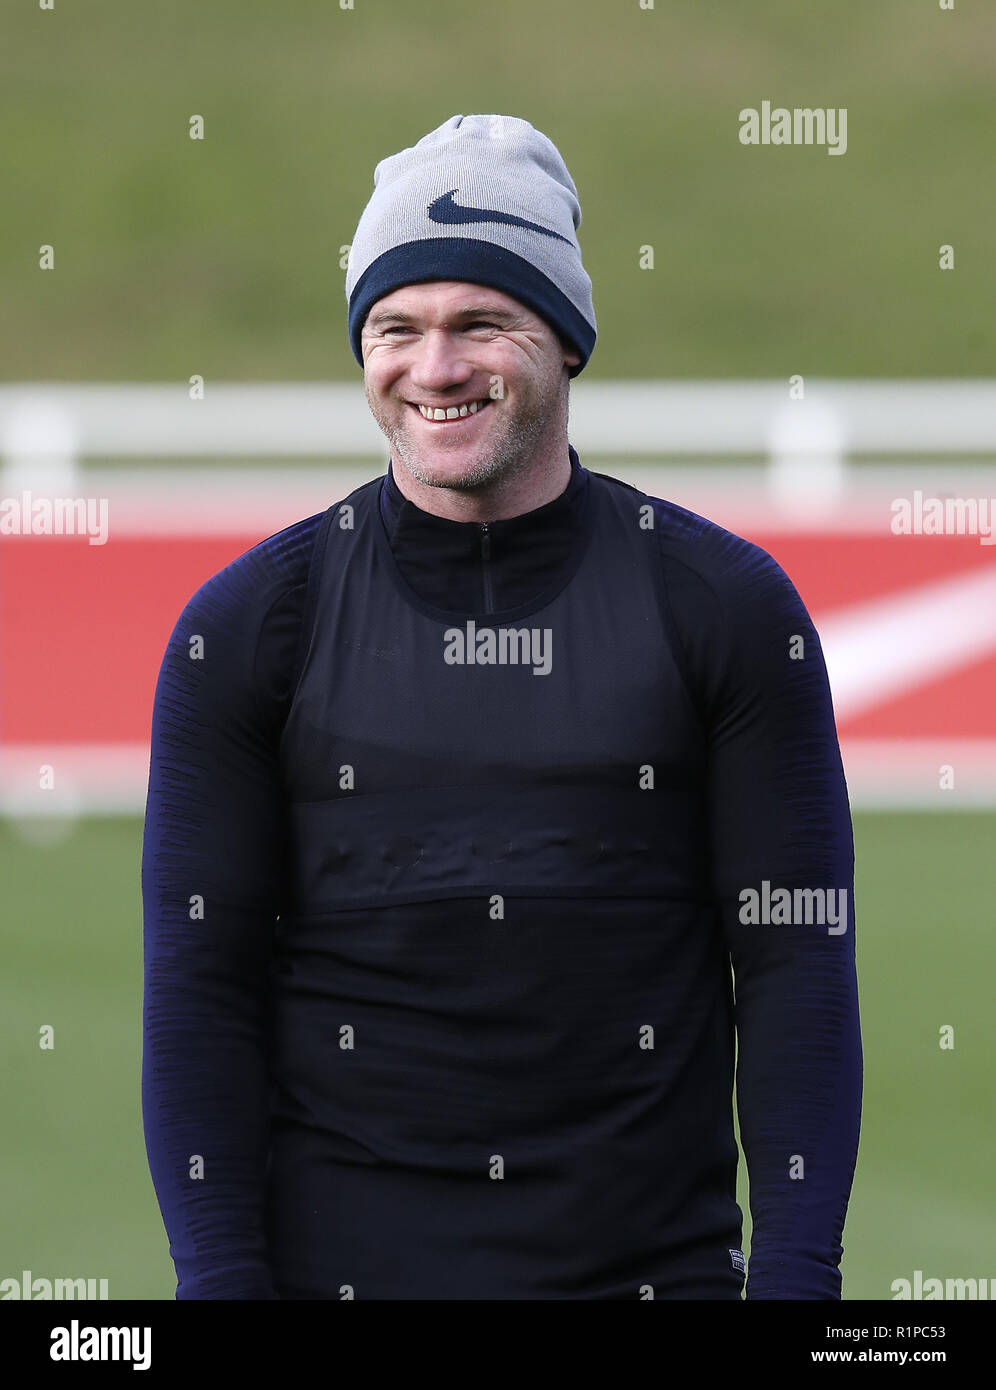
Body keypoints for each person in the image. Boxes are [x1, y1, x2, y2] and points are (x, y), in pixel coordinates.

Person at [141, 113, 862, 1300]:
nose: (434, 368)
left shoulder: (722, 608)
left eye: (482, 322)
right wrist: (221, 1286)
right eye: (396, 327)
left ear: (567, 340)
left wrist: (797, 1283)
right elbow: (198, 986)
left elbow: (792, 967)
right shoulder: (250, 627)